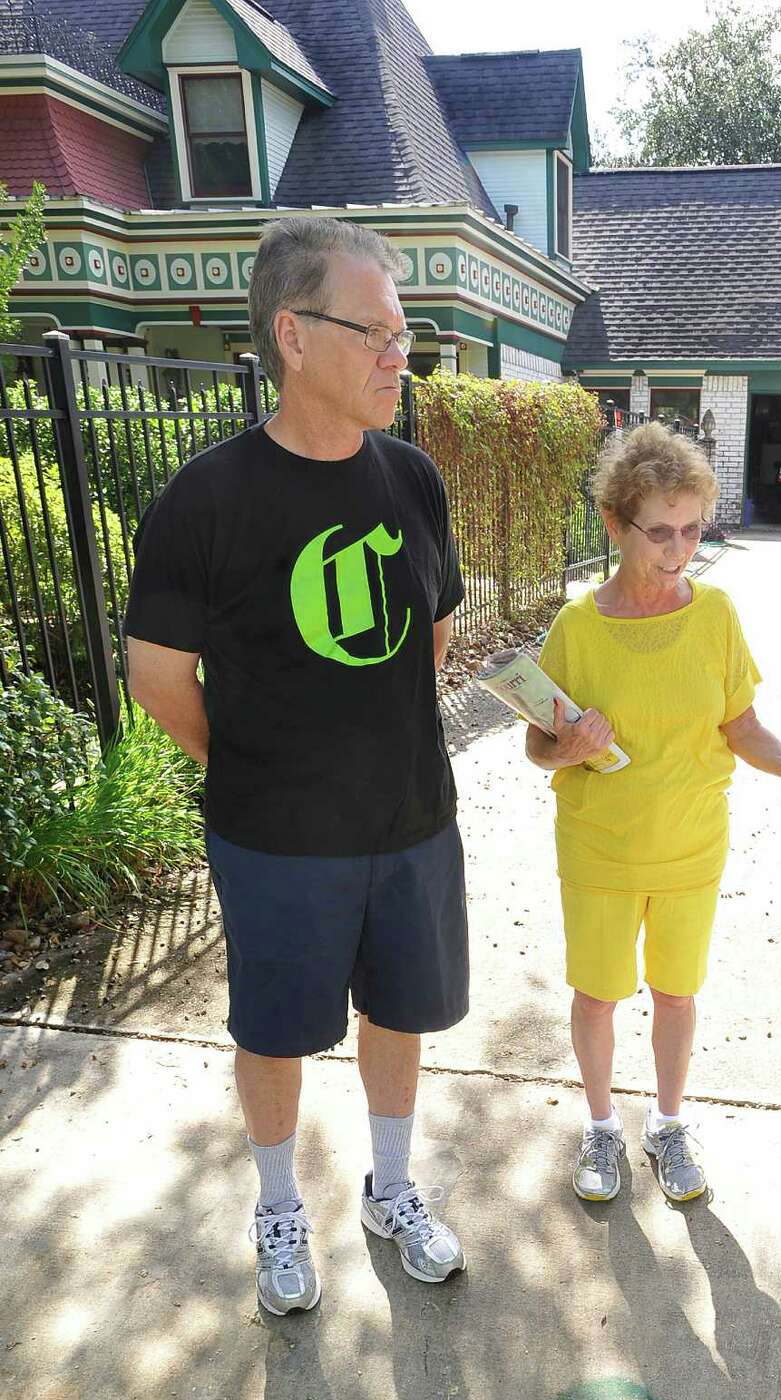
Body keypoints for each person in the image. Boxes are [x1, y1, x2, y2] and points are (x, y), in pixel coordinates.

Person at [124, 216, 469, 1316]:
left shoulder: (413, 479)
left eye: (403, 332)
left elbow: (435, 637)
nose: (395, 355)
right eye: (371, 330)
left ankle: (392, 1189)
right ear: (292, 336)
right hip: (273, 838)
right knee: (273, 1030)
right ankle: (279, 1206)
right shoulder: (207, 499)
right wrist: (251, 767)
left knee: (400, 1012)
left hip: (411, 819)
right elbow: (156, 676)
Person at [527, 423, 781, 1205]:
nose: (677, 549)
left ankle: (669, 1124)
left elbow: (740, 725)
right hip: (600, 850)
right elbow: (536, 747)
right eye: (659, 532)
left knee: (678, 995)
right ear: (616, 524)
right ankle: (604, 1126)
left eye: (691, 530)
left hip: (690, 847)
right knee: (598, 996)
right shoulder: (578, 629)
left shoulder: (715, 615)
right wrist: (569, 749)